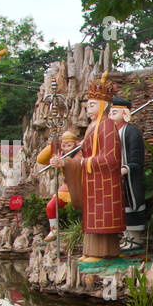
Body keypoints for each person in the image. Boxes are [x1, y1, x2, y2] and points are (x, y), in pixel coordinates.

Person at [53, 75, 124, 259]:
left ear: (102, 105)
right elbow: (84, 156)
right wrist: (67, 162)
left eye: (92, 104)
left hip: (105, 181)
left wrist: (85, 163)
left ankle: (103, 252)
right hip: (93, 181)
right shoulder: (92, 126)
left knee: (102, 216)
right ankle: (91, 251)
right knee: (92, 216)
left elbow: (111, 158)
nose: (87, 108)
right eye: (87, 105)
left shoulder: (107, 126)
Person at [109, 96, 148, 255]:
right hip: (115, 177)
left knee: (131, 203)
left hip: (129, 177)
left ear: (125, 113)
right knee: (120, 206)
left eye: (115, 112)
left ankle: (135, 237)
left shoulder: (131, 132)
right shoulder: (112, 132)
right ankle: (126, 235)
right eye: (110, 112)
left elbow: (136, 158)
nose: (111, 115)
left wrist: (125, 169)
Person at [35, 129, 80, 242]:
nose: (66, 147)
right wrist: (52, 145)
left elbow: (77, 163)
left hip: (81, 185)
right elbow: (41, 159)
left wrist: (63, 161)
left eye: (69, 144)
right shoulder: (60, 152)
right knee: (51, 206)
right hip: (67, 185)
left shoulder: (80, 152)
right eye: (64, 145)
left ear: (76, 144)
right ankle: (54, 230)